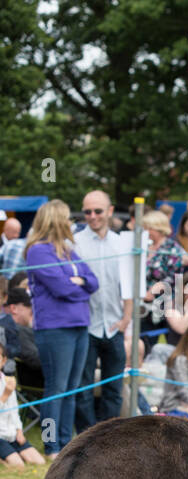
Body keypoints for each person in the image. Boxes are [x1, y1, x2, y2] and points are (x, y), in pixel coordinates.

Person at [25, 199, 99, 457]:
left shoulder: (67, 251)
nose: (72, 223)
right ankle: (51, 445)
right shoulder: (37, 251)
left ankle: (66, 443)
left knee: (72, 388)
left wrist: (78, 283)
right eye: (68, 218)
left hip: (80, 324)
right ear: (56, 221)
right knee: (55, 389)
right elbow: (62, 288)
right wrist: (77, 284)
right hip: (55, 329)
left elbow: (93, 281)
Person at [73, 190, 134, 428]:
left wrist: (127, 318)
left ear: (109, 211)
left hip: (115, 325)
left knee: (114, 388)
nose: (92, 216)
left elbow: (128, 284)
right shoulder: (75, 243)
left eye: (98, 211)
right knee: (84, 388)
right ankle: (87, 437)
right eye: (87, 211)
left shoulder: (121, 243)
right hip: (85, 326)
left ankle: (109, 437)